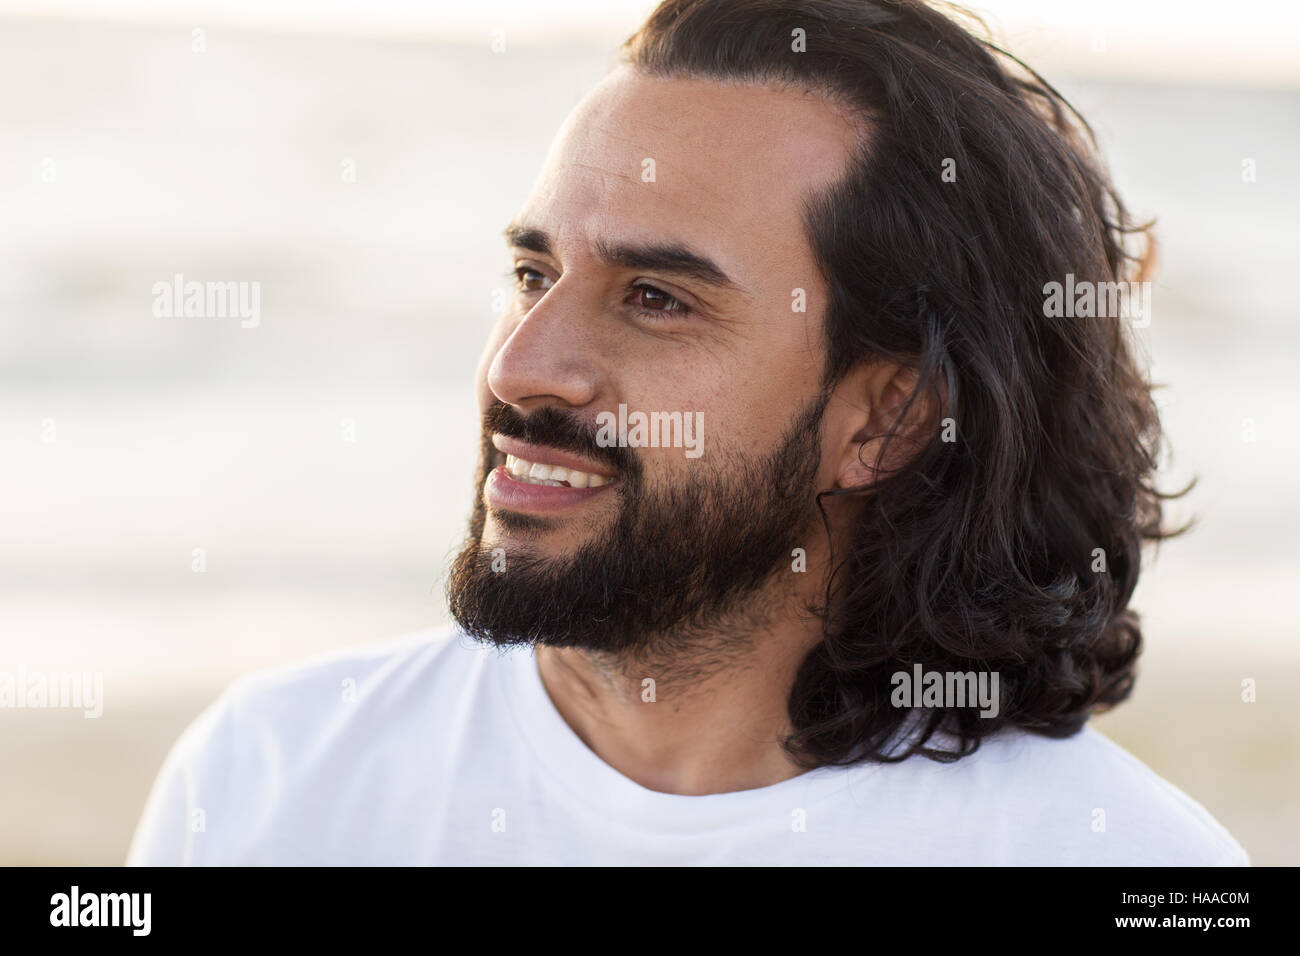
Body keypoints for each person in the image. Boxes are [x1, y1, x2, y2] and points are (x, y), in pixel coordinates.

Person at [127, 0, 1248, 866]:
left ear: (888, 418)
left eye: (656, 298)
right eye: (532, 273)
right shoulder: (272, 780)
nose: (521, 366)